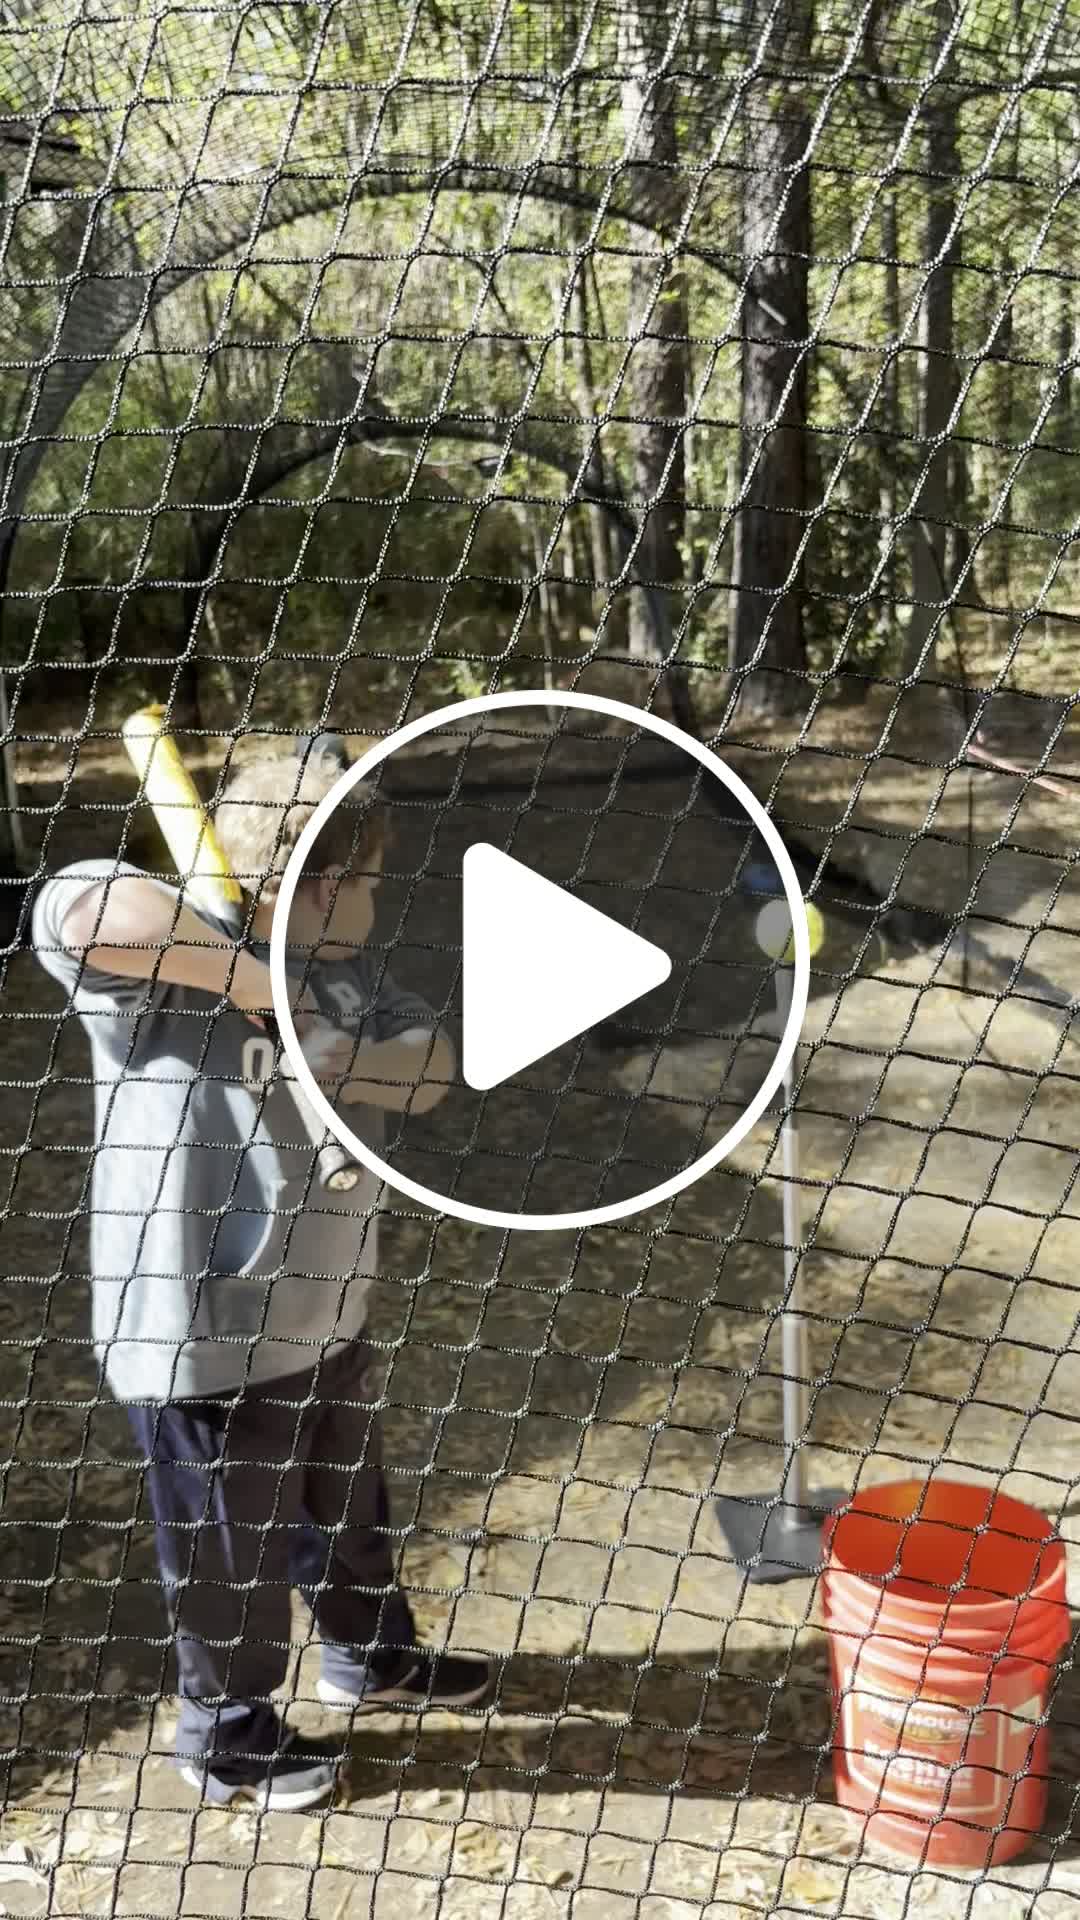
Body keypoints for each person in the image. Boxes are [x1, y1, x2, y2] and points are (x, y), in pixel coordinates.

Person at [30, 736, 489, 1812]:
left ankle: (368, 1655)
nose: (377, 901)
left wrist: (327, 1047)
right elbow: (86, 910)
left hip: (322, 1315)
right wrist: (247, 979)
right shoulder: (167, 968)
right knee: (226, 1549)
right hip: (199, 1336)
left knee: (346, 1502)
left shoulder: (346, 979)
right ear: (321, 883)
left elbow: (435, 1068)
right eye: (369, 881)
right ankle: (224, 1736)